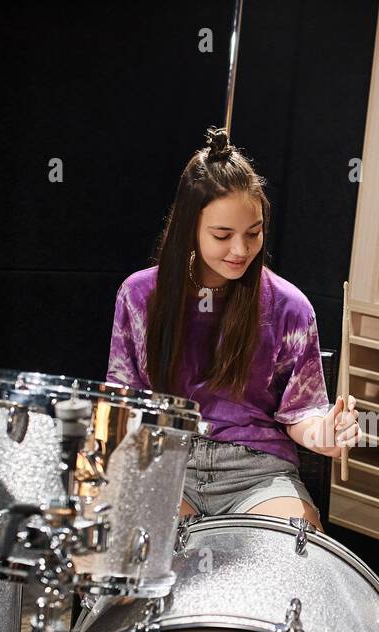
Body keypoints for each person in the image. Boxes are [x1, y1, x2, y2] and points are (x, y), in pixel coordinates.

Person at [108, 127, 358, 528]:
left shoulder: (290, 306)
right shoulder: (139, 295)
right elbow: (124, 403)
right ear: (190, 227)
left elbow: (300, 413)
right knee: (144, 562)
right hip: (168, 461)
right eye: (222, 235)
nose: (241, 250)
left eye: (253, 233)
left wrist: (323, 433)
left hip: (257, 473)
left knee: (292, 559)